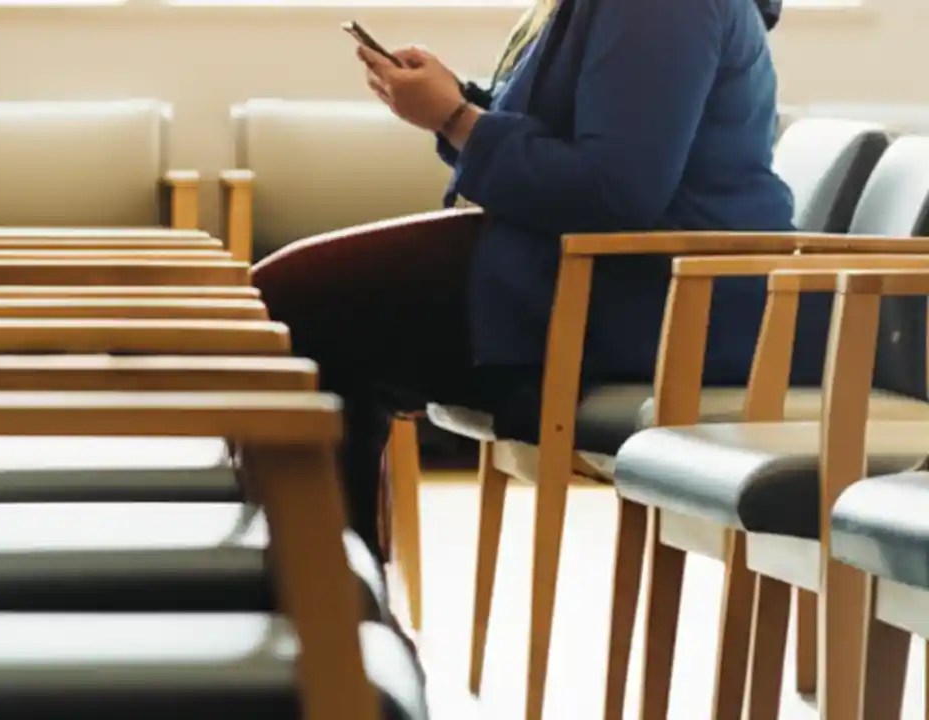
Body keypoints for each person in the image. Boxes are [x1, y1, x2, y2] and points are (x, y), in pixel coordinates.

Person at [250, 0, 822, 559]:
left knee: (288, 307)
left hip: (657, 299)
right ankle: (328, 605)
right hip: (608, 277)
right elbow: (588, 141)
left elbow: (612, 192)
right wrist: (460, 107)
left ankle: (326, 615)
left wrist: (455, 120)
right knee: (294, 309)